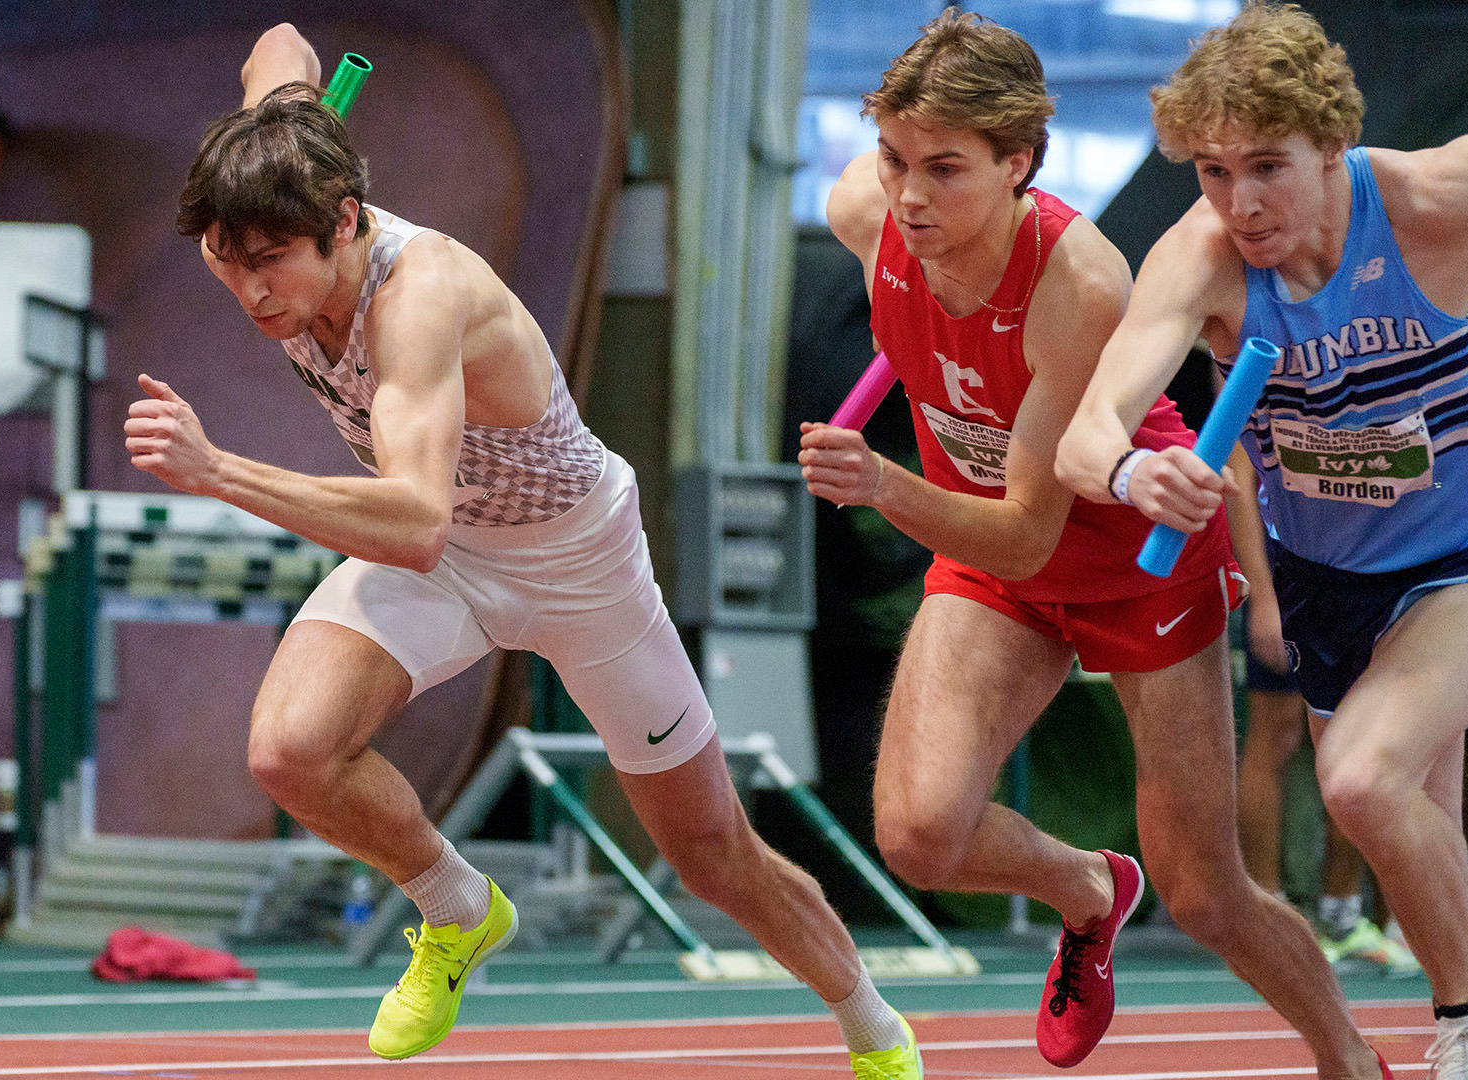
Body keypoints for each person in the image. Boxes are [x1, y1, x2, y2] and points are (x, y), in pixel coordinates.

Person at [128, 24, 923, 1077]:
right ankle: (456, 906)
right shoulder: (278, 173)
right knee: (290, 751)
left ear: (344, 221)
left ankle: (874, 1026)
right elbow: (280, 42)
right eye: (228, 263)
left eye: (272, 262)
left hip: (575, 563)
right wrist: (280, 112)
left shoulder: (419, 301)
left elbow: (413, 524)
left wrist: (221, 470)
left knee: (710, 854)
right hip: (456, 557)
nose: (252, 293)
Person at [1051, 2, 1468, 1075]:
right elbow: (1085, 435)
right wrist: (1132, 471)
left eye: (1268, 167)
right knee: (1415, 840)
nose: (1240, 203)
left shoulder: (1429, 201)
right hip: (1326, 584)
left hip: (1467, 563)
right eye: (1213, 172)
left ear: (1333, 144)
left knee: (1357, 779)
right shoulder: (1202, 257)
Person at [800, 12, 1387, 1077]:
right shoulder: (864, 214)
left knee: (1205, 892)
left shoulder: (1078, 282)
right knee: (919, 836)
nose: (910, 195)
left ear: (1019, 164)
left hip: (1130, 555)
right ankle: (1087, 888)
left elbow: (1031, 532)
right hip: (987, 552)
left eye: (945, 169)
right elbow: (1006, 549)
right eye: (893, 159)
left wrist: (883, 484)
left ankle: (1350, 1057)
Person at [1225, 441, 1420, 979]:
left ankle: (1341, 914)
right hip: (1291, 579)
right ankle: (1265, 912)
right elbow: (1238, 481)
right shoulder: (1254, 387)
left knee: (1359, 739)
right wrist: (1263, 598)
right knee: (1277, 733)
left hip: (1359, 577)